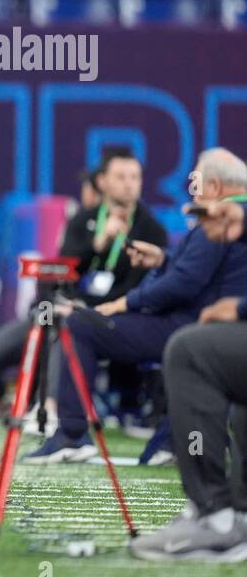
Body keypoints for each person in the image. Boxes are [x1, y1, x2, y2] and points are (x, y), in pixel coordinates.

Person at [30, 148, 247, 463]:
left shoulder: (219, 216)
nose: (191, 184)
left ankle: (72, 435)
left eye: (196, 178)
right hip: (205, 324)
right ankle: (178, 443)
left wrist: (124, 304)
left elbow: (183, 284)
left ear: (214, 186)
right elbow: (201, 272)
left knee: (80, 327)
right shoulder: (231, 216)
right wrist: (163, 259)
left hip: (190, 325)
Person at [0, 148, 165, 425]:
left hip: (110, 320)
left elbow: (138, 291)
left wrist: (84, 308)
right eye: (121, 176)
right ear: (103, 182)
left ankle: (49, 410)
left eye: (135, 177)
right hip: (60, 310)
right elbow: (60, 272)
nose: (129, 183)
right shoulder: (82, 221)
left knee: (69, 328)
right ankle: (0, 404)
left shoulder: (152, 231)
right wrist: (98, 245)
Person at [130, 195, 247, 561]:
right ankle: (239, 514)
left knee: (190, 352)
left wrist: (125, 303)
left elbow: (184, 285)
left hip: (182, 318)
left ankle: (216, 515)